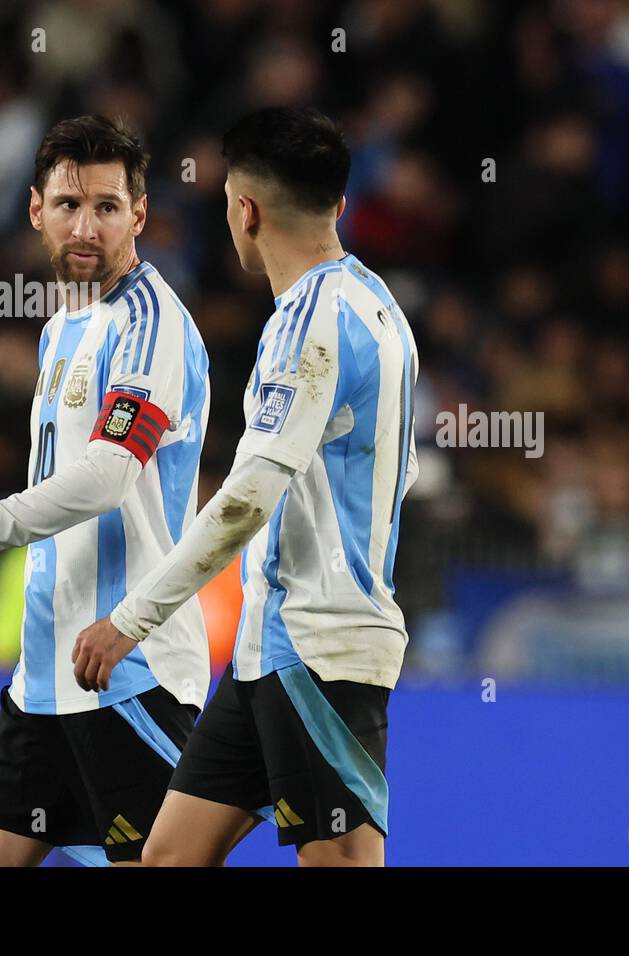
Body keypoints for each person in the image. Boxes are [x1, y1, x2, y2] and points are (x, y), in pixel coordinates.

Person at [72, 106, 418, 867]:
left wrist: (133, 619)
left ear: (246, 209)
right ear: (341, 204)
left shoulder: (311, 324)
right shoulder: (378, 306)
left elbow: (246, 497)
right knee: (165, 859)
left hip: (321, 649)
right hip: (269, 653)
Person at [0, 115, 211, 866]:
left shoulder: (153, 327)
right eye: (68, 205)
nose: (86, 227)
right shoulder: (61, 329)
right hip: (44, 683)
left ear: (140, 215)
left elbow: (110, 475)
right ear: (34, 211)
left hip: (130, 673)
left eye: (108, 207)